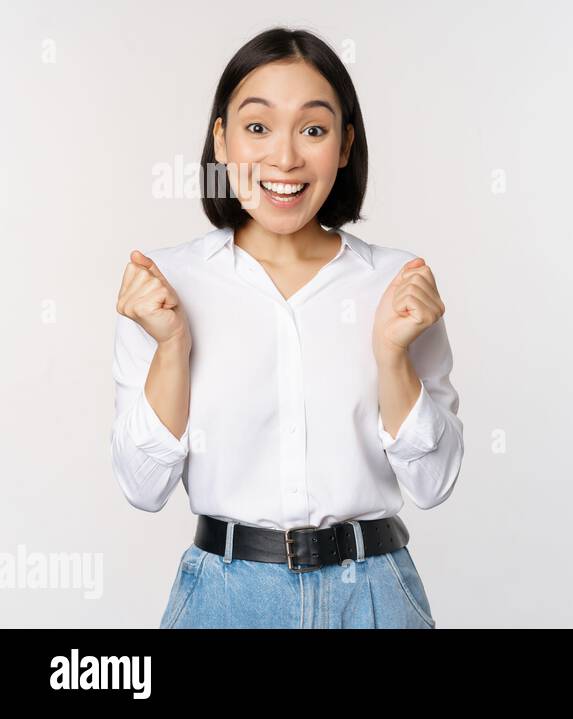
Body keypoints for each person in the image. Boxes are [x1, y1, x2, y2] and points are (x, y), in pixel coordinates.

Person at [110, 27, 464, 628]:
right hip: (224, 599)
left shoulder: (395, 283)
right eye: (256, 127)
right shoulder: (166, 284)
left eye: (314, 129)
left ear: (345, 146)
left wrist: (392, 357)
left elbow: (433, 485)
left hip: (373, 594)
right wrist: (172, 347)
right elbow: (143, 489)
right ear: (221, 140)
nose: (285, 157)